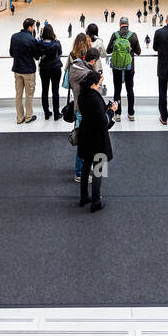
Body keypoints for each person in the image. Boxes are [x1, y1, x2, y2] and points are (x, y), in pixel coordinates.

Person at [76, 70, 117, 213]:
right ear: (94, 84)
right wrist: (111, 111)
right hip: (98, 138)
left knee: (86, 166)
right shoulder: (95, 98)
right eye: (99, 83)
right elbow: (102, 121)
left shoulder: (82, 95)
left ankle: (83, 197)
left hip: (85, 134)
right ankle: (96, 201)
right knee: (99, 169)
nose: (101, 85)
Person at [69, 44, 102, 182]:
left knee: (83, 140)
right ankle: (81, 173)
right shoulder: (87, 74)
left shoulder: (76, 67)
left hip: (79, 107)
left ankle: (83, 168)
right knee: (85, 142)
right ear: (93, 61)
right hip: (86, 111)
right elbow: (93, 92)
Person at [105, 18, 141, 120]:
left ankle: (117, 114)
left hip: (117, 68)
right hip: (129, 68)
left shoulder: (115, 35)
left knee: (117, 91)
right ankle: (131, 113)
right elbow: (139, 52)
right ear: (128, 24)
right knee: (130, 90)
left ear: (120, 24)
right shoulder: (133, 35)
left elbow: (108, 50)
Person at [9, 17, 42, 124]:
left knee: (18, 94)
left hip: (17, 69)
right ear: (30, 27)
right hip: (28, 71)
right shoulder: (32, 40)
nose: (34, 29)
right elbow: (37, 56)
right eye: (33, 26)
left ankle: (19, 117)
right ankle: (28, 116)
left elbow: (11, 53)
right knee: (29, 94)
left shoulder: (14, 37)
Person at [37, 22, 64, 120]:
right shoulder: (57, 43)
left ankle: (46, 113)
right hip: (55, 68)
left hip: (44, 69)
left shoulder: (39, 43)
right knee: (55, 91)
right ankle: (57, 114)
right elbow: (60, 53)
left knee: (45, 91)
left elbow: (37, 55)